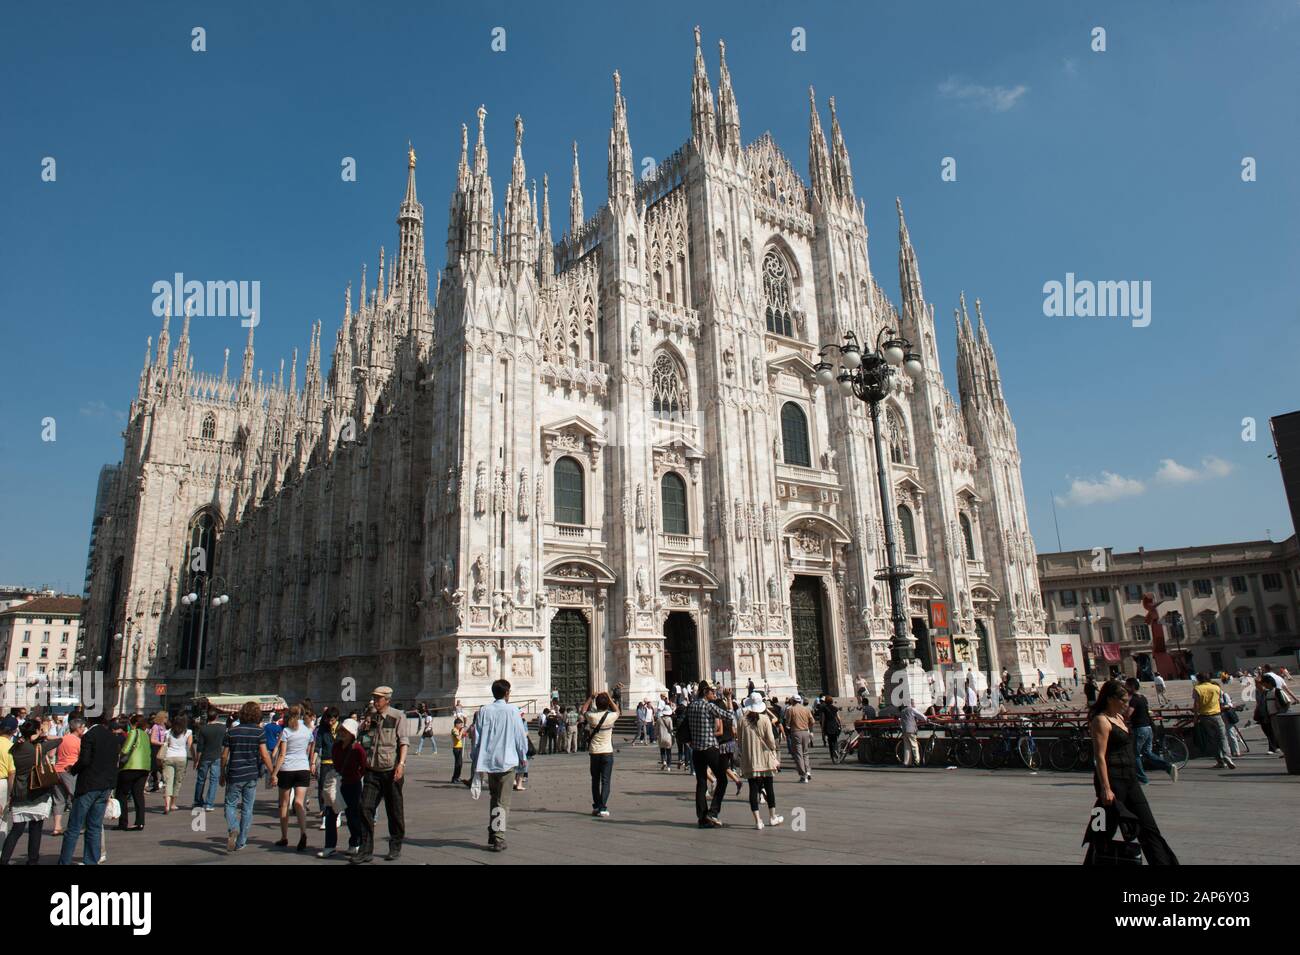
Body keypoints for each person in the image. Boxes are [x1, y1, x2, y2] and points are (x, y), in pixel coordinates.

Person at [1085, 680, 1178, 864]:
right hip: (1112, 783)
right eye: (1123, 701)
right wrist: (1105, 788)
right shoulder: (1100, 721)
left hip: (1130, 779)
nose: (1126, 705)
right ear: (1111, 699)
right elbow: (1100, 757)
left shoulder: (1119, 717)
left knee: (1148, 827)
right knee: (1101, 829)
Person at [469, 678, 530, 852]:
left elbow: (477, 738)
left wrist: (476, 757)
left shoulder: (484, 710)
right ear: (507, 693)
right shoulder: (512, 710)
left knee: (494, 798)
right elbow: (520, 736)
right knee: (503, 802)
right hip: (506, 762)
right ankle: (498, 838)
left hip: (489, 762)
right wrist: (523, 756)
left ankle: (493, 830)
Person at [57, 714, 122, 865]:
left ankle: (65, 861)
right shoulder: (112, 737)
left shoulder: (89, 736)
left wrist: (72, 769)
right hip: (105, 785)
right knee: (95, 825)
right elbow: (115, 761)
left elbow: (85, 760)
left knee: (74, 826)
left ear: (89, 721)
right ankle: (91, 860)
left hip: (89, 785)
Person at [354, 686, 407, 863]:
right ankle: (365, 849)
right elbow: (364, 742)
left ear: (387, 700)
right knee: (364, 807)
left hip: (391, 771)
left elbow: (403, 742)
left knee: (394, 810)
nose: (375, 701)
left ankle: (395, 845)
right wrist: (364, 728)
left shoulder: (397, 716)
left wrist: (401, 764)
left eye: (378, 698)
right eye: (374, 698)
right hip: (372, 770)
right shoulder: (372, 717)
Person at [1, 719, 59, 864]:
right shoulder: (38, 748)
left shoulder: (15, 748)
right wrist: (45, 735)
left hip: (19, 792)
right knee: (36, 828)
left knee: (16, 830)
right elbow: (59, 740)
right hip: (36, 791)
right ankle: (32, 860)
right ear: (36, 732)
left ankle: (4, 859)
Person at [221, 700, 275, 853]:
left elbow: (224, 756)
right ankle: (241, 841)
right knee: (247, 808)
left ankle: (233, 827)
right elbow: (264, 755)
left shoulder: (231, 732)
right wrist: (272, 772)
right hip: (251, 775)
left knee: (230, 805)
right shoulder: (259, 732)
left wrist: (221, 774)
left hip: (234, 773)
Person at [686, 680, 734, 827]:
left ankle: (702, 818)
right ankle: (712, 813)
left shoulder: (691, 706)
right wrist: (729, 699)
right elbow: (729, 715)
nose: (714, 693)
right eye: (712, 692)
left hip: (696, 751)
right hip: (710, 749)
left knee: (701, 783)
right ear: (705, 692)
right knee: (723, 780)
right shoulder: (708, 706)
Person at [271, 704, 315, 852]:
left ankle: (284, 837)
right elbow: (308, 751)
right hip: (303, 768)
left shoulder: (286, 731)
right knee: (299, 802)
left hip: (287, 769)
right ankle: (303, 832)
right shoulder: (308, 731)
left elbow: (282, 755)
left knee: (284, 804)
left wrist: (274, 773)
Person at [323, 718, 366, 858]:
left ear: (352, 733)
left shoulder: (357, 748)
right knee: (330, 814)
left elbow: (364, 766)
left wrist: (356, 776)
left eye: (345, 731)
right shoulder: (336, 746)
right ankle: (329, 846)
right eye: (341, 730)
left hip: (352, 785)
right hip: (337, 784)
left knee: (352, 815)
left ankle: (355, 843)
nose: (342, 733)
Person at [1124, 677, 1177, 784]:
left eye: (1127, 685)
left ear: (1132, 686)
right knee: (1147, 753)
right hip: (1148, 728)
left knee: (1135, 755)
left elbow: (1128, 714)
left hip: (1139, 729)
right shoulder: (1143, 697)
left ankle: (1142, 779)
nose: (1125, 687)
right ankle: (1168, 767)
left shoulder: (1134, 700)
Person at [581, 690, 618, 817]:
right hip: (607, 752)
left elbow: (583, 710)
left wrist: (590, 698)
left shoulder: (592, 716)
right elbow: (617, 711)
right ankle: (602, 807)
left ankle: (597, 806)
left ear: (596, 704)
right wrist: (609, 697)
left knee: (595, 780)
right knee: (606, 781)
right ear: (607, 704)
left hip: (594, 753)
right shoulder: (611, 716)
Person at [115, 714, 152, 831]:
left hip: (131, 766)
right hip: (144, 767)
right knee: (138, 795)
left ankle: (123, 822)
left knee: (121, 794)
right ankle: (140, 822)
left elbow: (126, 749)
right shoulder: (146, 735)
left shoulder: (133, 732)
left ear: (133, 724)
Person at [1192, 672, 1234, 769]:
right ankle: (1227, 756)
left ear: (1199, 679)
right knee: (1222, 737)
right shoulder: (1216, 688)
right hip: (1217, 715)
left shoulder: (1197, 689)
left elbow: (1196, 704)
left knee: (1212, 739)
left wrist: (1195, 717)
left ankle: (1220, 761)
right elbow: (1220, 701)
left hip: (1205, 716)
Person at [159, 713, 195, 815]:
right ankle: (173, 803)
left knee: (168, 781)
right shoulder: (188, 732)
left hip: (169, 757)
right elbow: (191, 746)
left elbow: (166, 745)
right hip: (181, 758)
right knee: (177, 781)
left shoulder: (168, 732)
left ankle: (167, 805)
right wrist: (195, 758)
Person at [193, 709, 226, 811]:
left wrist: (196, 760)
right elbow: (225, 744)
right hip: (217, 756)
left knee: (201, 780)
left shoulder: (203, 729)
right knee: (214, 780)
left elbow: (200, 748)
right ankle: (209, 804)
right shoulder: (223, 728)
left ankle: (198, 802)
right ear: (216, 717)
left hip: (205, 757)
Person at [314, 708, 340, 834]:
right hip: (326, 762)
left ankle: (337, 813)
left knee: (337, 790)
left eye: (332, 720)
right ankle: (325, 816)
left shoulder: (341, 728)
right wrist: (313, 763)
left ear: (337, 718)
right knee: (323, 790)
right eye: (328, 720)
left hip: (339, 763)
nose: (330, 722)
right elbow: (317, 746)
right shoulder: (322, 730)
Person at [784, 695, 816, 782]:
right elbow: (812, 721)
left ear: (793, 701)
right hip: (805, 732)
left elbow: (787, 723)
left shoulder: (790, 709)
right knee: (805, 753)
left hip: (796, 732)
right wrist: (809, 729)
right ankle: (808, 771)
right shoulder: (806, 709)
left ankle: (803, 775)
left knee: (799, 754)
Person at [898, 699, 927, 767]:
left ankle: (907, 762)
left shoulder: (903, 711)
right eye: (913, 703)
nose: (914, 704)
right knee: (914, 745)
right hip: (911, 730)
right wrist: (926, 719)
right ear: (910, 704)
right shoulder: (912, 709)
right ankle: (917, 761)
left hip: (905, 730)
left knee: (907, 747)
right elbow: (921, 716)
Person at [146, 711, 168, 793]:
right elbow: (152, 740)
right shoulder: (155, 726)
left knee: (161, 767)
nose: (167, 719)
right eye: (165, 717)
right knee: (155, 767)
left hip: (162, 748)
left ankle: (160, 783)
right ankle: (155, 783)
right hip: (156, 748)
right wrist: (162, 743)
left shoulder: (164, 726)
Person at [820, 695, 842, 763]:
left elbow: (823, 719)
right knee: (835, 740)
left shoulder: (824, 708)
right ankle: (836, 750)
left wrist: (823, 728)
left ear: (826, 701)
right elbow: (838, 718)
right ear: (832, 701)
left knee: (830, 741)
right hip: (834, 725)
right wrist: (840, 724)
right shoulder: (835, 708)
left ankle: (832, 756)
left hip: (828, 726)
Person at [656, 704, 675, 771]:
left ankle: (664, 761)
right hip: (668, 737)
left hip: (661, 737)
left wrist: (656, 736)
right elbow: (671, 729)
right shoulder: (669, 719)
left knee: (662, 751)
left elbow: (656, 729)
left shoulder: (659, 719)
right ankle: (669, 766)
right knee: (669, 752)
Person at [450, 717, 466, 782]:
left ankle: (457, 776)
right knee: (457, 764)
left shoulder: (458, 730)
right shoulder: (454, 730)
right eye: (460, 724)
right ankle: (454, 778)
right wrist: (461, 732)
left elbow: (461, 737)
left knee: (460, 763)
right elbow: (458, 738)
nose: (461, 726)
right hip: (456, 749)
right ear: (456, 724)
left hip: (460, 747)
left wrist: (463, 734)